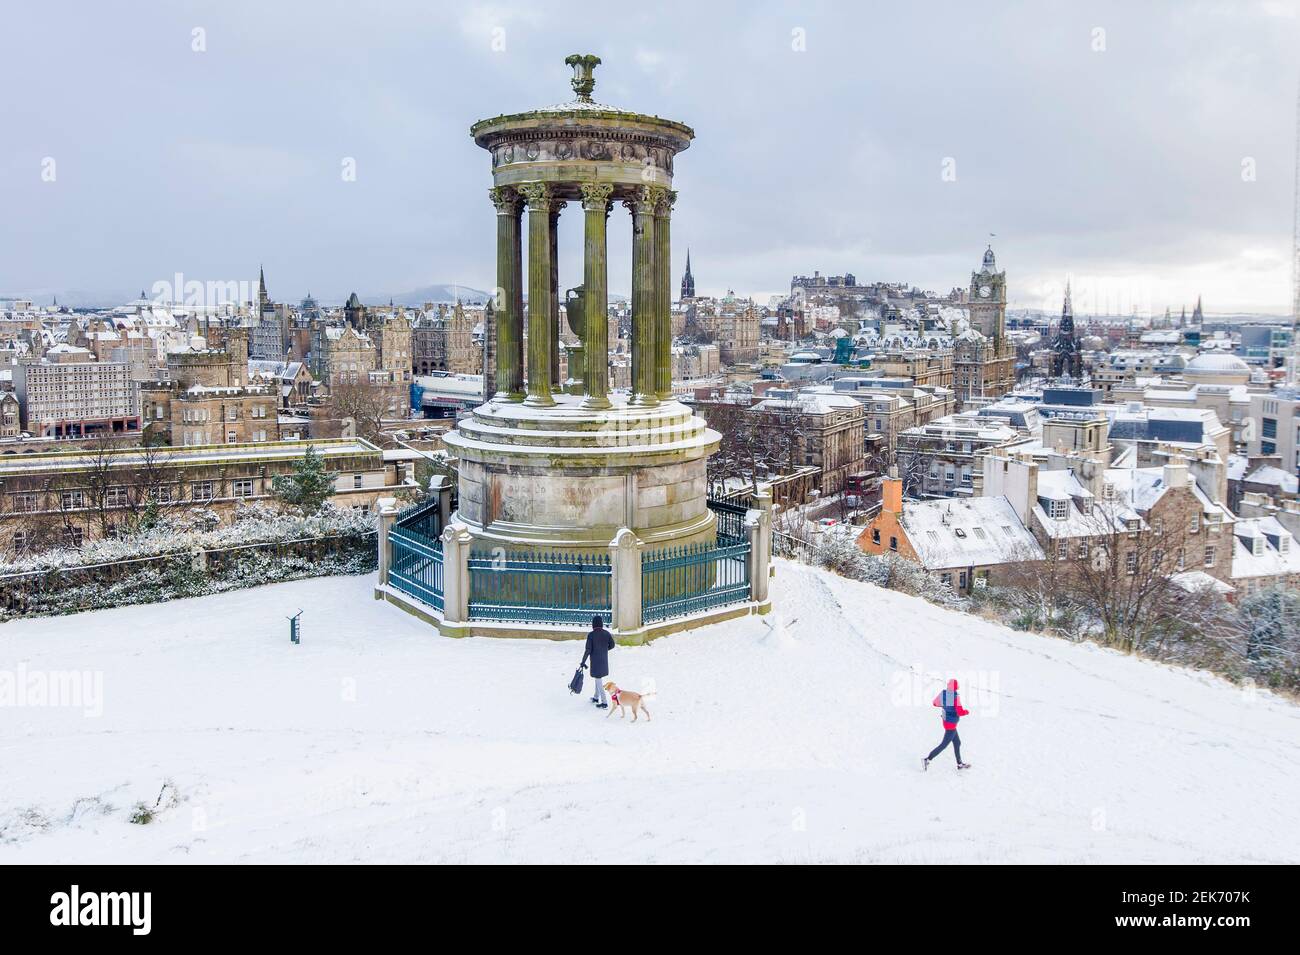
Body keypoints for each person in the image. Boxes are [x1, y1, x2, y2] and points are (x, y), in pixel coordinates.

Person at [923, 678, 970, 770]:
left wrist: (945, 706)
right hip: (951, 724)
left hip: (946, 721)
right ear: (956, 687)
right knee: (944, 745)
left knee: (957, 742)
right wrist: (966, 712)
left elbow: (935, 703)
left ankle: (959, 764)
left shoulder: (943, 693)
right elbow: (960, 712)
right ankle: (927, 759)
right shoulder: (956, 697)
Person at [580, 614, 615, 709]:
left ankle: (604, 702)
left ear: (593, 624)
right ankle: (596, 697)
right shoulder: (606, 633)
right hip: (603, 660)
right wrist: (604, 649)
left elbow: (588, 650)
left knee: (598, 680)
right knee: (597, 678)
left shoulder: (591, 635)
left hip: (595, 661)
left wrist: (583, 661)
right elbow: (612, 645)